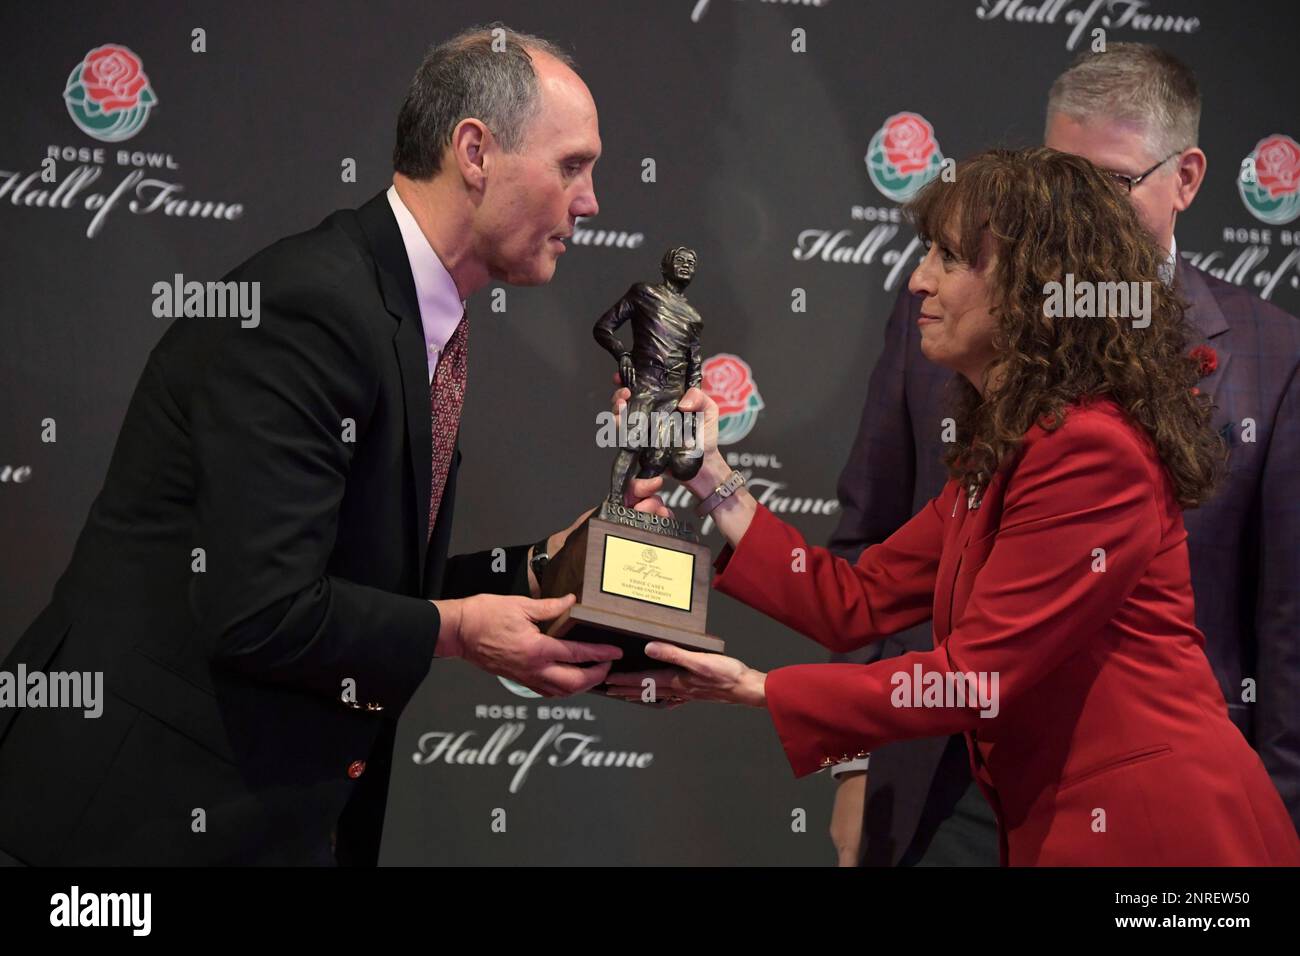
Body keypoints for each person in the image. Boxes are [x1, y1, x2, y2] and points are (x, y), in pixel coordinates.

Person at [0, 24, 675, 866]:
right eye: (572, 165)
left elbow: (358, 582)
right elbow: (261, 609)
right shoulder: (311, 310)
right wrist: (460, 629)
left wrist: (544, 566)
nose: (591, 202)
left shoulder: (405, 310)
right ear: (475, 152)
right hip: (134, 824)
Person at [606, 147, 1300, 866]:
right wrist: (707, 472)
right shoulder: (1012, 448)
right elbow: (853, 600)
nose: (918, 280)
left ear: (1036, 287)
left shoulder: (1091, 450)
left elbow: (974, 679)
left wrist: (759, 688)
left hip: (1163, 838)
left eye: (950, 257)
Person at [825, 43, 1300, 867]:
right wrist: (852, 757)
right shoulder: (937, 320)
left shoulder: (1273, 357)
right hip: (940, 788)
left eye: (1108, 183)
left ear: (1186, 178)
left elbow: (1287, 636)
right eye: (1055, 175)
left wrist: (1274, 829)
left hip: (1143, 819)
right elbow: (869, 543)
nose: (1067, 210)